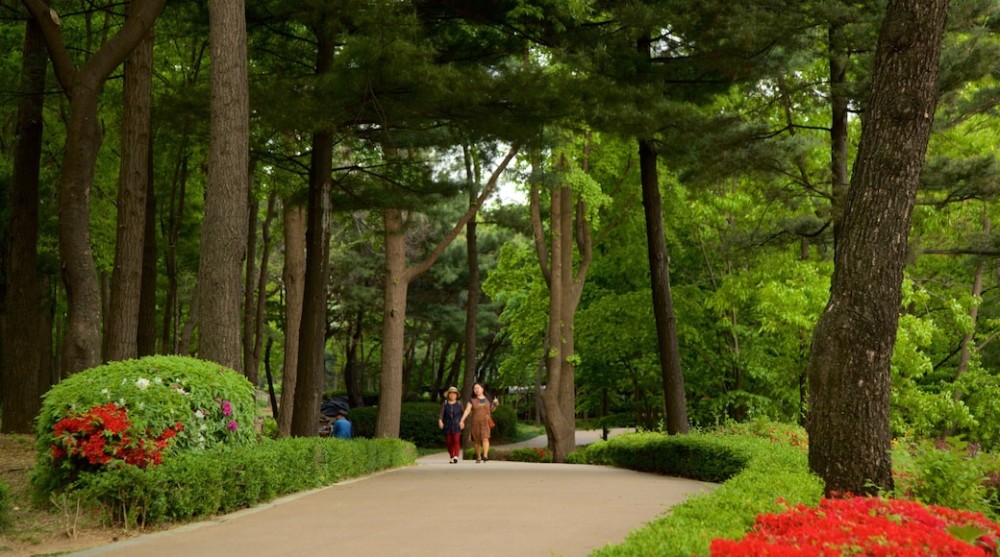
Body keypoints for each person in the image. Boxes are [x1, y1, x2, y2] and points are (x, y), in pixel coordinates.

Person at [459, 383, 497, 463]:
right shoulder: (471, 400)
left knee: (485, 438)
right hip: (475, 422)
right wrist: (462, 420)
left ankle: (485, 455)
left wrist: (495, 406)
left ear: (482, 389)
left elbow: (491, 410)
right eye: (475, 388)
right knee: (477, 440)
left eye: (478, 388)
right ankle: (478, 456)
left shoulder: (488, 399)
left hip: (486, 421)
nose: (476, 390)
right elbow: (467, 410)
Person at [438, 386, 463, 463]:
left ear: (456, 395)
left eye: (454, 394)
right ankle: (452, 456)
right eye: (450, 394)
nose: (452, 395)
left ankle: (456, 456)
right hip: (447, 424)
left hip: (456, 424)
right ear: (448, 395)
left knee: (456, 440)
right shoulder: (445, 404)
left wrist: (462, 421)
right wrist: (440, 421)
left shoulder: (459, 404)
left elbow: (464, 413)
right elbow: (441, 414)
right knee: (449, 442)